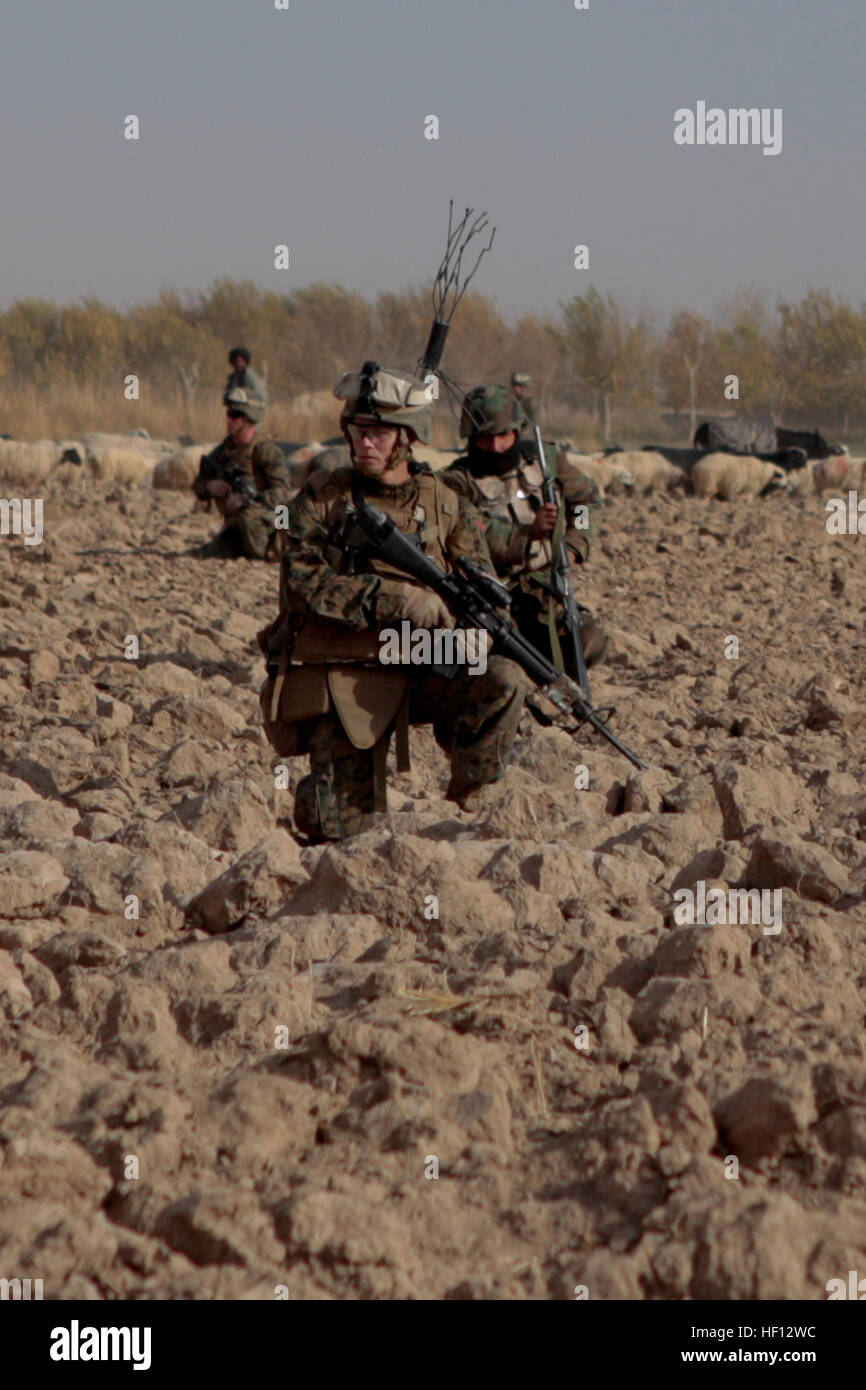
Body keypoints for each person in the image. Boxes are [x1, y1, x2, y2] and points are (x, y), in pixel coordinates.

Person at [257, 360, 528, 842]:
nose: (364, 443)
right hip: (347, 672)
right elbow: (302, 585)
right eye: (357, 431)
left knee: (503, 678)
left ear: (408, 438)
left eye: (378, 433)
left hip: (424, 661)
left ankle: (469, 803)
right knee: (332, 828)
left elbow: (489, 596)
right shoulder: (321, 500)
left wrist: (472, 632)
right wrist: (396, 599)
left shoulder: (447, 504)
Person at [443, 383, 608, 675]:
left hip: (544, 588)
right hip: (489, 594)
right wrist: (527, 534)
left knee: (589, 643)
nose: (495, 448)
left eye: (503, 436)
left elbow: (586, 502)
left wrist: (574, 545)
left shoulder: (547, 462)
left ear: (518, 431)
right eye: (485, 439)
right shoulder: (456, 481)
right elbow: (468, 533)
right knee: (492, 659)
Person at [192, 387, 290, 560]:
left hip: (269, 522)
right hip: (236, 523)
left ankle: (270, 552)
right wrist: (210, 486)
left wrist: (246, 499)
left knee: (248, 517)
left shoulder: (265, 451)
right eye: (229, 414)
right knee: (210, 553)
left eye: (236, 415)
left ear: (249, 419)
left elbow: (282, 493)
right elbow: (198, 485)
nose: (230, 420)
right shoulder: (223, 452)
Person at [510, 371, 538, 436]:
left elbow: (534, 425)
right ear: (511, 386)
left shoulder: (530, 404)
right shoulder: (506, 402)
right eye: (519, 386)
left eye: (525, 386)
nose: (523, 389)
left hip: (522, 440)